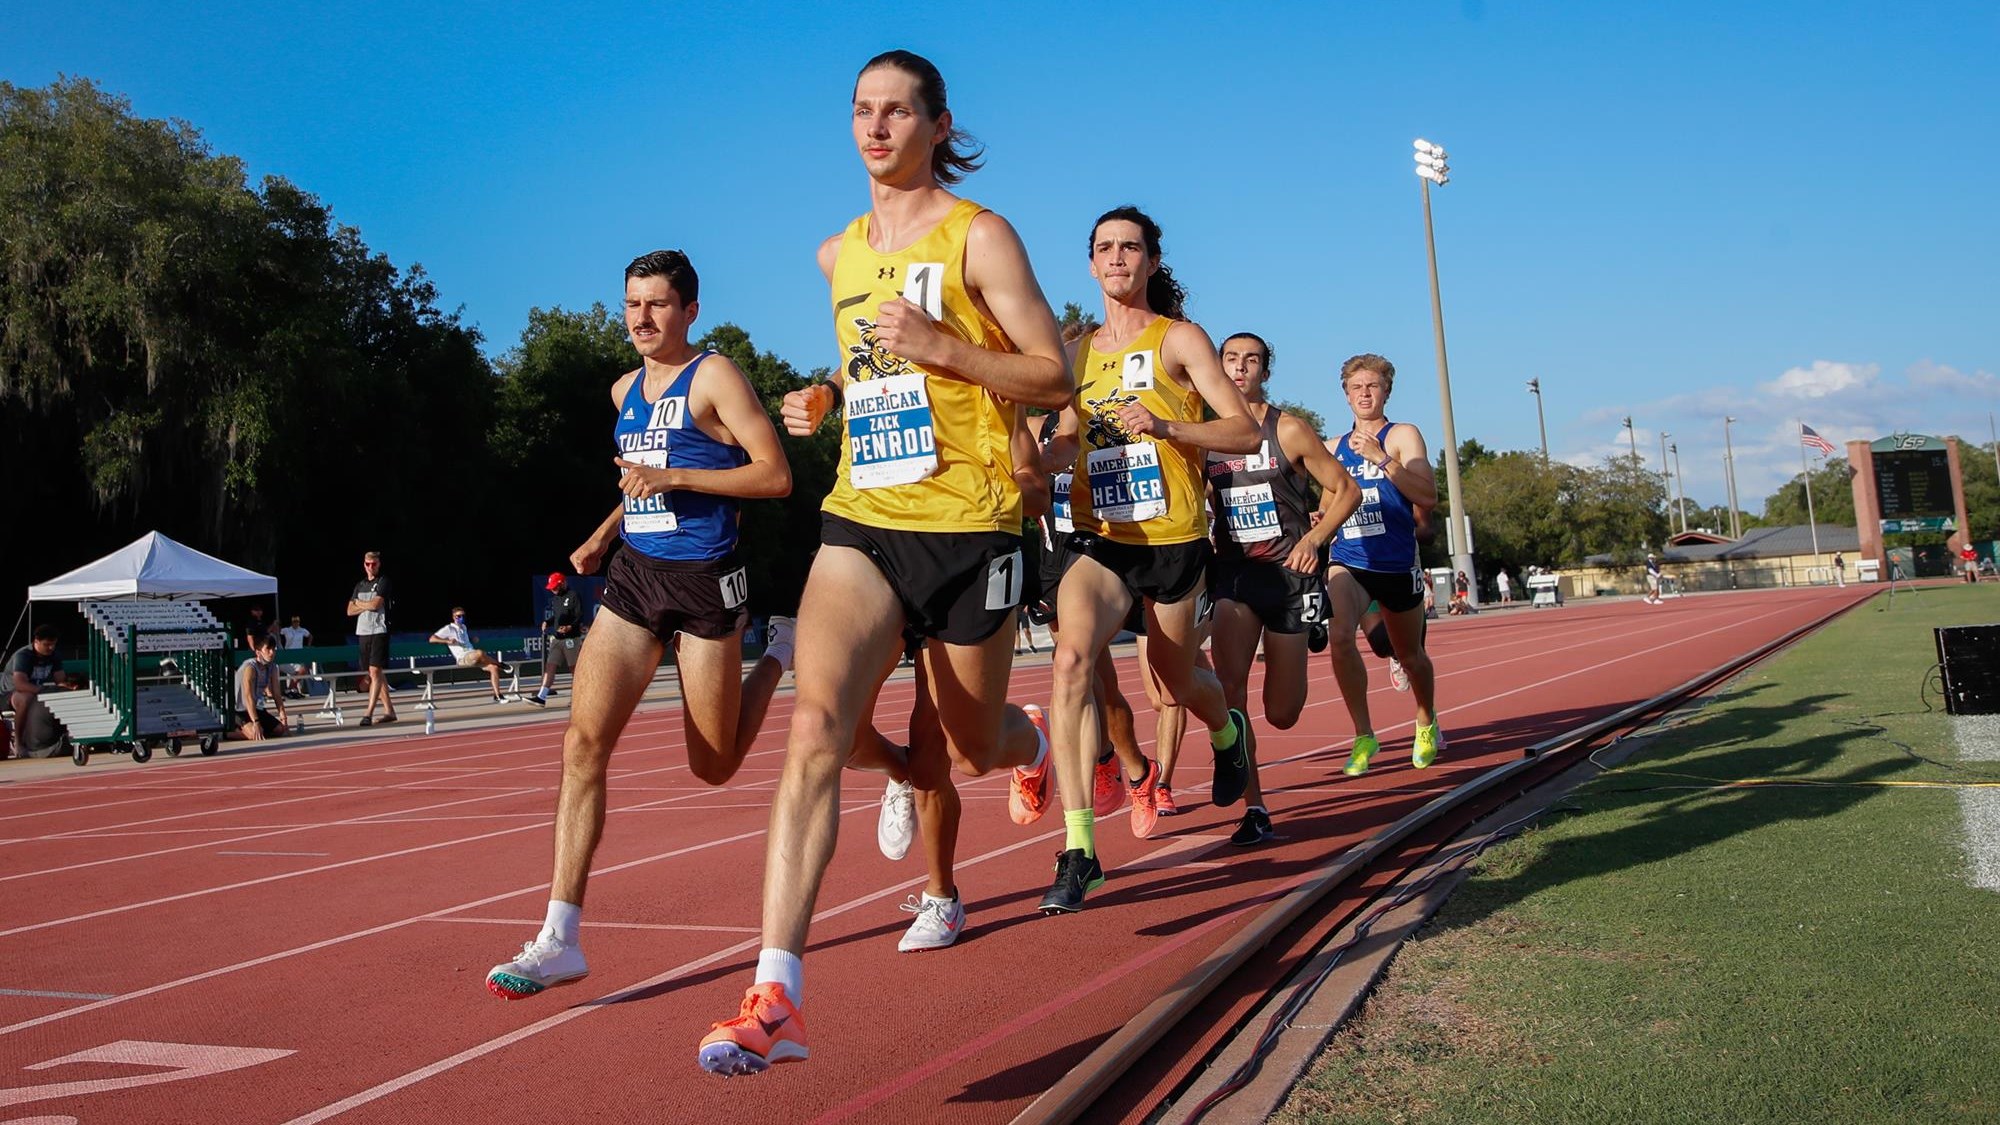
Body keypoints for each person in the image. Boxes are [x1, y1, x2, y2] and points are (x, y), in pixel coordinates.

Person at [697, 50, 1070, 1076]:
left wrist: (949, 349)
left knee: (967, 739)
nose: (875, 128)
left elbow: (1051, 373)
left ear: (938, 125)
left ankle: (1028, 743)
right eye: (860, 111)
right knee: (815, 726)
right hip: (862, 518)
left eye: (896, 111)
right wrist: (822, 396)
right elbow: (869, 356)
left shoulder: (979, 237)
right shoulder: (837, 253)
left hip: (972, 526)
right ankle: (777, 992)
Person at [485, 249, 798, 1003]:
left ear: (690, 310)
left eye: (657, 304)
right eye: (632, 304)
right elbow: (641, 478)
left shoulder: (716, 377)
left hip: (703, 584)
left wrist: (679, 478)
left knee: (713, 765)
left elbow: (774, 474)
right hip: (633, 579)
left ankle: (779, 652)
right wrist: (607, 530)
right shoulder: (624, 388)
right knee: (582, 741)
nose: (642, 319)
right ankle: (560, 935)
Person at [1034, 204, 1260, 913]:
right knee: (1072, 660)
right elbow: (1070, 438)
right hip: (1099, 536)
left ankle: (1228, 733)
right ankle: (1079, 850)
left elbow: (1245, 431)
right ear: (1091, 262)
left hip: (1173, 536)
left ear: (1152, 261)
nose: (1117, 258)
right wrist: (1043, 460)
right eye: (1104, 247)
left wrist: (1165, 424)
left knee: (1173, 676)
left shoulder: (1180, 339)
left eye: (1131, 247)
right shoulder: (1074, 351)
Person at [1204, 331, 1359, 846]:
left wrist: (1316, 538)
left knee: (1283, 713)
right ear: (1218, 368)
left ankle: (1306, 635)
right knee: (1231, 688)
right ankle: (1254, 806)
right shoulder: (1207, 434)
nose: (1240, 368)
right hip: (1235, 573)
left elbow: (1346, 490)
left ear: (1265, 372)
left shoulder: (1287, 429)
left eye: (1251, 360)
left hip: (1291, 576)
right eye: (1231, 360)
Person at [1322, 354, 1445, 776]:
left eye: (1372, 386)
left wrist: (1380, 458)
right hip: (1350, 558)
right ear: (1345, 394)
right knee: (1340, 636)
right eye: (1356, 388)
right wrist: (1321, 519)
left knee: (1410, 656)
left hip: (1395, 561)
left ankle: (1426, 718)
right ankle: (1363, 735)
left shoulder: (1403, 436)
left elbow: (1426, 496)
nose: (1365, 394)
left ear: (1387, 391)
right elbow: (1325, 505)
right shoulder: (1331, 447)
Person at [347, 551, 396, 726]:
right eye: (368, 564)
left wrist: (359, 604)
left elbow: (376, 605)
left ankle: (368, 712)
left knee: (375, 671)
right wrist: (363, 605)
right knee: (374, 672)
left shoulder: (383, 582)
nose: (370, 567)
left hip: (379, 630)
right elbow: (349, 610)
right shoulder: (360, 585)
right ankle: (389, 711)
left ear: (379, 564)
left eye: (373, 564)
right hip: (363, 632)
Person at [7, 625, 71, 758]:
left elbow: (60, 679)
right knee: (27, 699)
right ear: (36, 641)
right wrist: (43, 690)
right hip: (10, 692)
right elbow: (20, 684)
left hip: (34, 689)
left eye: (53, 644)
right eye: (47, 644)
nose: (50, 648)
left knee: (62, 694)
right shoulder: (23, 656)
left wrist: (66, 688)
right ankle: (18, 742)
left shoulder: (54, 655)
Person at [428, 608, 513, 703]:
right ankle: (500, 664)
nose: (461, 618)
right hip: (462, 658)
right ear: (453, 617)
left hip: (472, 656)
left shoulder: (464, 627)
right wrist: (447, 641)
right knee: (480, 652)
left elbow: (464, 642)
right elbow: (432, 639)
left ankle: (498, 696)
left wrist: (472, 639)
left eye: (463, 616)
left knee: (493, 668)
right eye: (458, 616)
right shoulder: (449, 628)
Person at [530, 572, 584, 707]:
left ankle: (579, 698)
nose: (553, 590)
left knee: (574, 669)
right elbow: (556, 616)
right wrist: (547, 622)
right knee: (550, 666)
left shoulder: (573, 596)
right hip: (557, 639)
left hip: (571, 639)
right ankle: (541, 697)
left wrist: (569, 627)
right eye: (551, 587)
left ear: (562, 583)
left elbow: (579, 616)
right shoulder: (556, 599)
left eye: (555, 587)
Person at [233, 634, 290, 740]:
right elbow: (248, 696)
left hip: (256, 708)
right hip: (238, 709)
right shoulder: (250, 668)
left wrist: (283, 716)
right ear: (258, 652)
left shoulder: (273, 667)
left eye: (273, 649)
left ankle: (256, 729)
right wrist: (256, 722)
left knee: (279, 730)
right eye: (268, 649)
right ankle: (227, 733)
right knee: (255, 734)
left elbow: (277, 694)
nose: (272, 652)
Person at [278, 615, 313, 698]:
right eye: (294, 621)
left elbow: (310, 636)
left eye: (297, 621)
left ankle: (297, 690)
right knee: (290, 673)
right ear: (292, 622)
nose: (296, 623)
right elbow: (278, 632)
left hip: (299, 653)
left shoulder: (302, 630)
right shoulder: (287, 630)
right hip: (289, 653)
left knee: (300, 671)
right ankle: (289, 689)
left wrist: (308, 646)